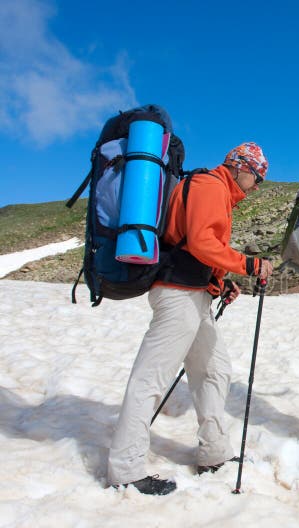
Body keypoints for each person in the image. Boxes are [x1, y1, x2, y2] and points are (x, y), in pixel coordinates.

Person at [107, 142, 273, 495]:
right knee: (150, 379)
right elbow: (200, 242)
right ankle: (125, 469)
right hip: (178, 295)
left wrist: (219, 281)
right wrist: (248, 265)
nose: (256, 186)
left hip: (194, 294)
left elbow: (198, 245)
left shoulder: (217, 192)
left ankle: (214, 452)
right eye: (256, 177)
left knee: (214, 370)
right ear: (240, 167)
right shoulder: (211, 186)